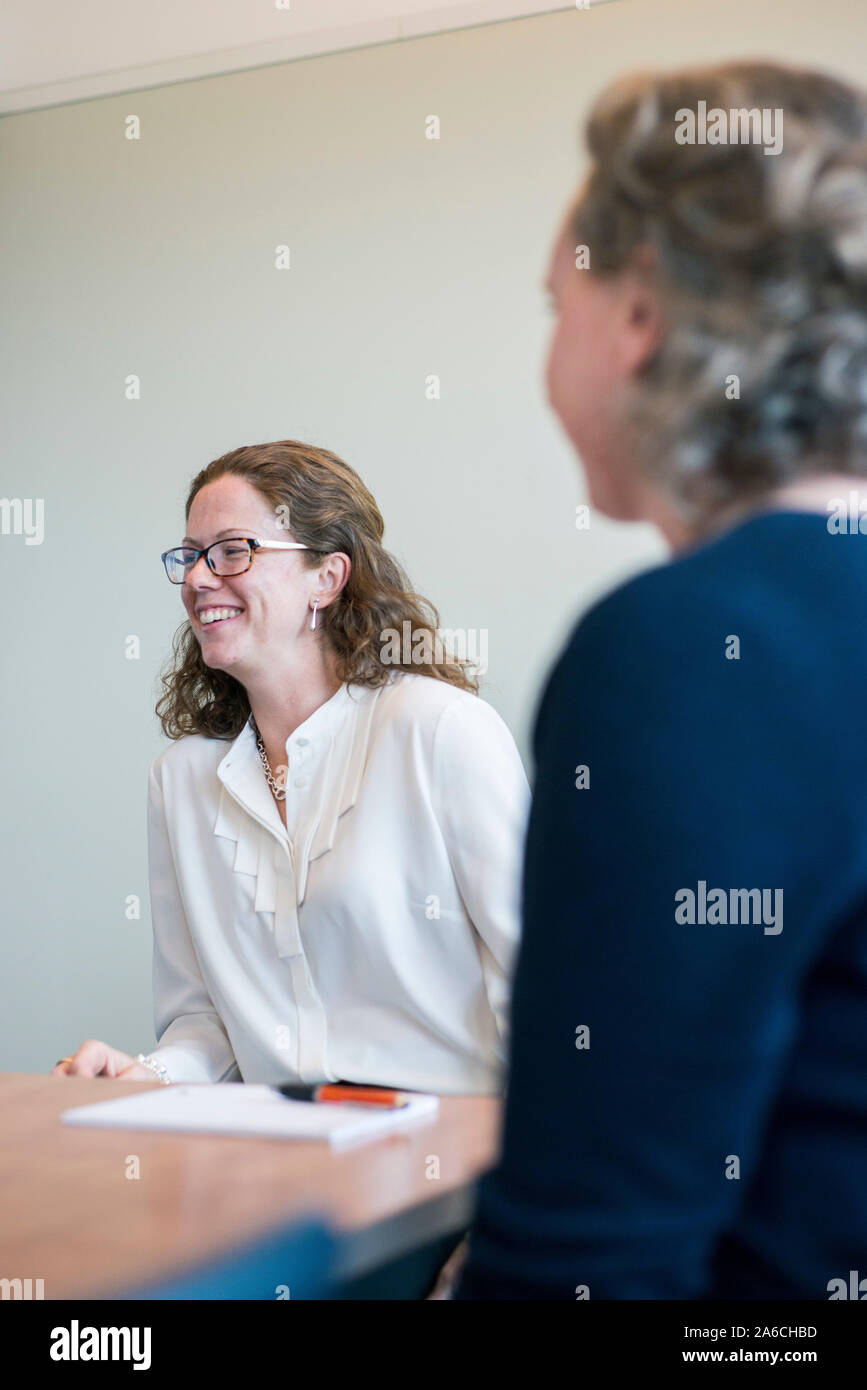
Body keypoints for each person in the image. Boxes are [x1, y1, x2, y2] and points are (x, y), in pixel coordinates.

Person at [457, 60, 867, 1299]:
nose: (550, 353)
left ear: (639, 318)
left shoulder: (691, 651)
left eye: (555, 306)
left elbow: (589, 1258)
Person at [53, 440, 529, 1093]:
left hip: (450, 1156)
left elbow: (542, 989)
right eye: (190, 556)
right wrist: (145, 1074)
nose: (197, 579)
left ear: (326, 578)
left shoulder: (440, 731)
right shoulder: (181, 780)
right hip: (272, 1157)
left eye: (232, 550)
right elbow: (203, 1023)